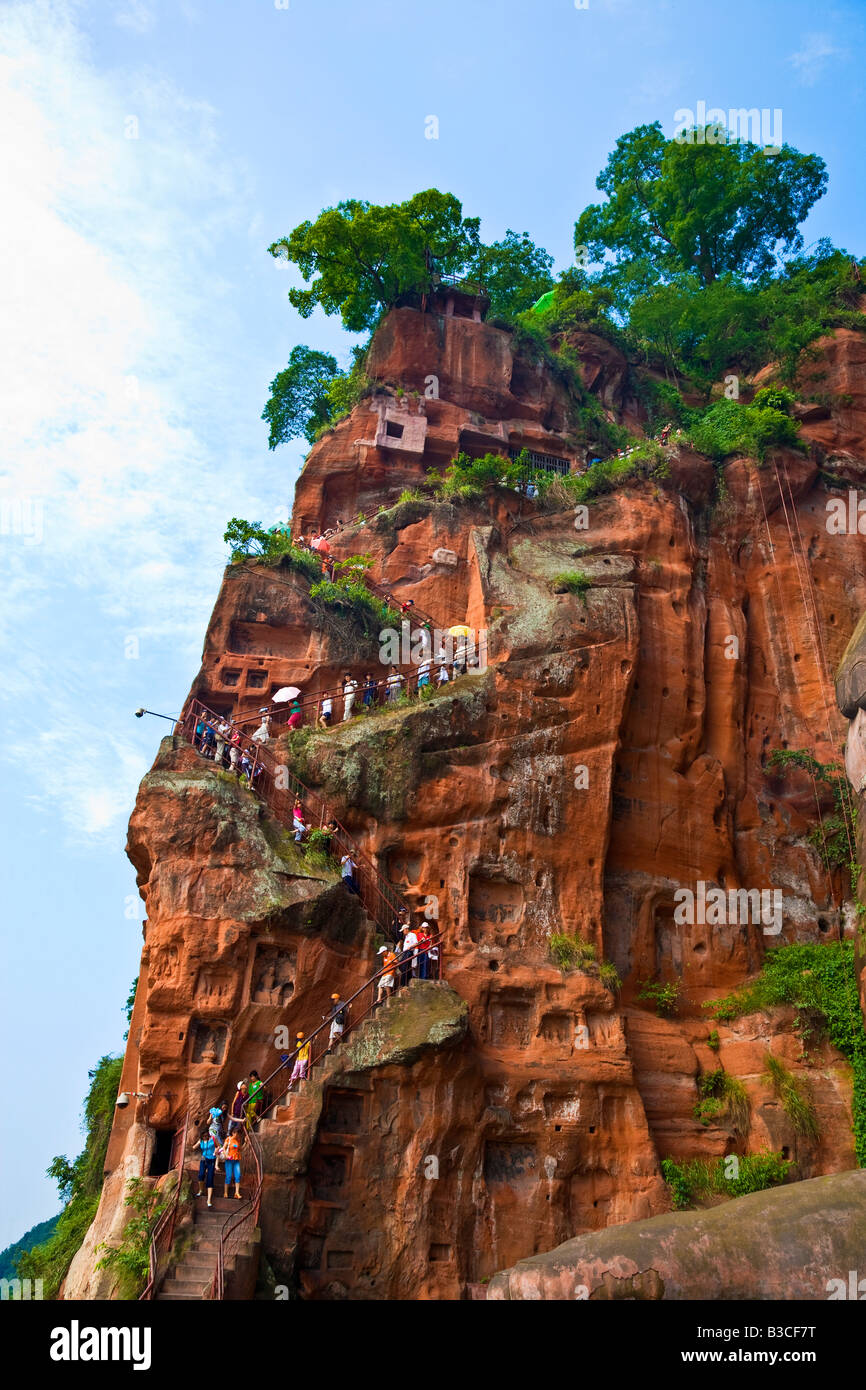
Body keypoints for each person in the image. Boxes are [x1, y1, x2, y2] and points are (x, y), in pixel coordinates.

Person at [193, 1127, 217, 1207]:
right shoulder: (201, 1141)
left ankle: (209, 1200)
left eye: (207, 1135)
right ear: (202, 1136)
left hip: (212, 1160)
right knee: (201, 1175)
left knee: (210, 1178)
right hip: (203, 1159)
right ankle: (201, 1190)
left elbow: (219, 1146)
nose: (205, 1137)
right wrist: (194, 1145)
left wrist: (216, 1151)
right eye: (204, 1136)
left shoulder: (213, 1139)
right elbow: (194, 1147)